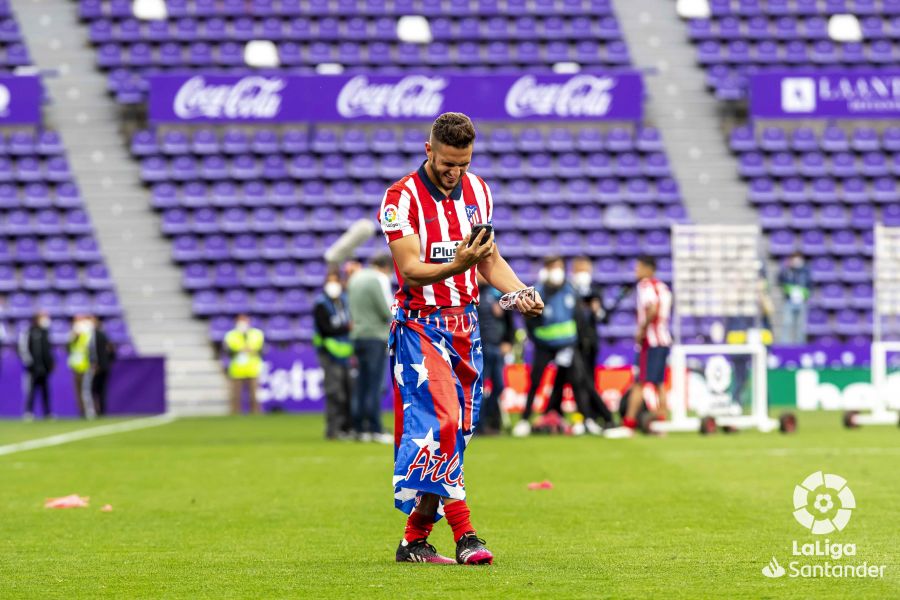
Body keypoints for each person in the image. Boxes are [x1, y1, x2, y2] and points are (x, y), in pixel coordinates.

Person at [380, 112, 543, 565]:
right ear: (428, 150)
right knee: (442, 424)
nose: (455, 173)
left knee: (457, 433)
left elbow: (487, 260)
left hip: (465, 327)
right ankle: (466, 533)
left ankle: (414, 540)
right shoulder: (401, 198)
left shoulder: (479, 192)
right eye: (448, 163)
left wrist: (520, 292)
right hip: (420, 326)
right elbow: (411, 269)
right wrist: (460, 263)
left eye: (463, 164)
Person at [514, 256, 601, 437]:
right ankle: (524, 419)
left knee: (579, 382)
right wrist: (536, 338)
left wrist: (580, 340)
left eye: (560, 267)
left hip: (567, 344)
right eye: (554, 267)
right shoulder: (539, 290)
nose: (557, 271)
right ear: (546, 269)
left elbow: (577, 316)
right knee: (535, 382)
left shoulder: (570, 289)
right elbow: (529, 318)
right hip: (544, 344)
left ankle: (587, 419)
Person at [347, 254, 394, 443]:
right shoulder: (378, 279)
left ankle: (359, 427)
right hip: (375, 336)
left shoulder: (355, 278)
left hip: (358, 336)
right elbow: (386, 310)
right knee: (374, 385)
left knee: (361, 384)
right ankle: (375, 427)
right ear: (386, 267)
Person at [623, 256, 673, 430]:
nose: (636, 271)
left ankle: (629, 422)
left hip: (649, 342)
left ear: (647, 269)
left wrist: (641, 330)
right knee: (659, 382)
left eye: (638, 267)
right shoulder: (664, 288)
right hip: (664, 339)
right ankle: (662, 418)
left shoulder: (645, 286)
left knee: (639, 382)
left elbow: (652, 309)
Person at [313, 270, 354, 439]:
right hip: (329, 353)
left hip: (347, 352)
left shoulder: (346, 301)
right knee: (335, 392)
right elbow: (325, 330)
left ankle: (347, 427)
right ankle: (333, 429)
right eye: (330, 281)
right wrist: (346, 328)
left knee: (349, 391)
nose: (333, 285)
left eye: (335, 281)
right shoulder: (321, 304)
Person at [475, 273, 515, 435]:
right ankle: (479, 425)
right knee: (480, 388)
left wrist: (508, 341)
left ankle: (489, 419)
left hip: (497, 347)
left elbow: (510, 320)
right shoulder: (471, 291)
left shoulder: (499, 293)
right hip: (479, 348)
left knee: (499, 386)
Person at [222, 314, 265, 415]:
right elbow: (228, 350)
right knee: (236, 395)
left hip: (253, 369)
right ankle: (235, 414)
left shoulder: (257, 333)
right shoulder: (230, 335)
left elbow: (260, 349)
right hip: (237, 369)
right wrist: (240, 350)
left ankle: (256, 414)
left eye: (244, 321)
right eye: (240, 321)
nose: (242, 323)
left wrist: (249, 349)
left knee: (254, 394)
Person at [18, 310, 54, 420]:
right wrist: (30, 364)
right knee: (31, 391)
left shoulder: (45, 332)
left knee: (45, 391)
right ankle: (29, 412)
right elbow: (23, 349)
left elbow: (48, 350)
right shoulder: (29, 332)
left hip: (44, 368)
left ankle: (47, 413)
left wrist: (50, 364)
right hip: (32, 369)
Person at [778, 251, 811, 345]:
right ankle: (785, 345)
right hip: (789, 301)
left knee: (800, 326)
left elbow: (810, 285)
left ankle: (800, 345)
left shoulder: (806, 271)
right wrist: (786, 268)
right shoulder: (787, 270)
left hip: (802, 302)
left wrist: (806, 294)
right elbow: (779, 280)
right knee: (787, 323)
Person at [68, 315, 95, 419]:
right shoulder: (73, 338)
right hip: (76, 368)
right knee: (79, 392)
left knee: (86, 391)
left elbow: (89, 351)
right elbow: (72, 351)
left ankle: (90, 412)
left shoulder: (86, 336)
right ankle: (82, 412)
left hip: (86, 367)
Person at [89, 317, 116, 416]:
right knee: (101, 390)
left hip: (98, 367)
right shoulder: (104, 335)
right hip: (104, 366)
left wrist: (97, 364)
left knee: (94, 389)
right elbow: (111, 350)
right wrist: (109, 362)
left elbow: (96, 352)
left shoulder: (94, 336)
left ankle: (97, 410)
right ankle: (101, 410)